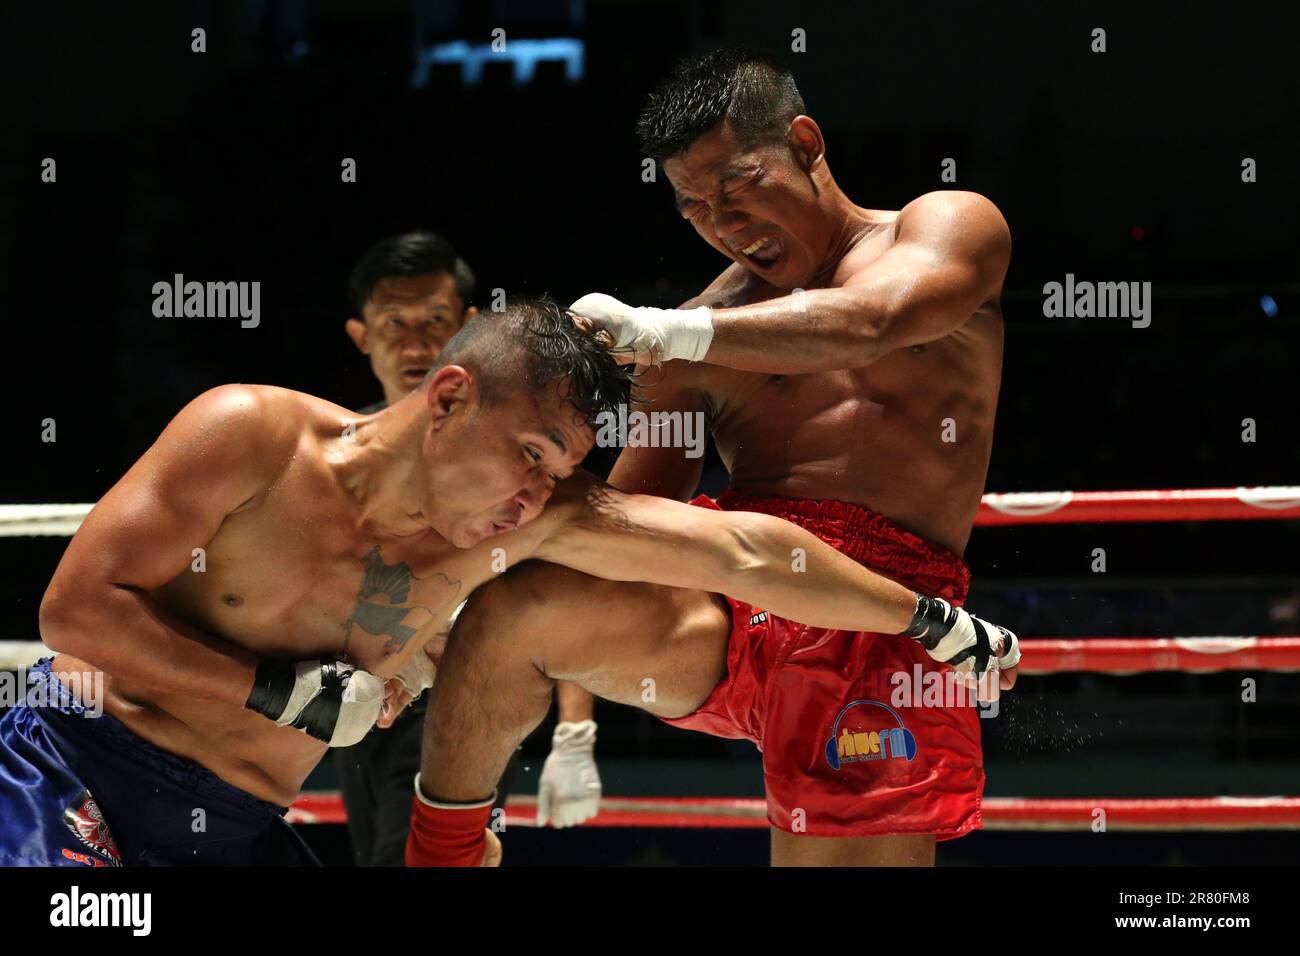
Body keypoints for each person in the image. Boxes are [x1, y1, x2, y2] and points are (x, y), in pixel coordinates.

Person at [0, 297, 1010, 866]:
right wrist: (282, 691)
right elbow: (74, 608)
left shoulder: (533, 522)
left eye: (559, 465)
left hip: (238, 826)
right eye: (528, 450)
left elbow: (740, 552)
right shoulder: (251, 435)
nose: (535, 494)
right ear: (448, 394)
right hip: (76, 768)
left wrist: (922, 616)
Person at [410, 49, 1016, 867]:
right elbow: (623, 532)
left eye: (736, 186)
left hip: (884, 615)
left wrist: (677, 336)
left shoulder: (942, 225)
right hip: (733, 598)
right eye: (693, 206)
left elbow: (879, 317)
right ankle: (443, 852)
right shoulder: (687, 335)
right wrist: (449, 611)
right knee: (511, 613)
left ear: (805, 142)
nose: (722, 224)